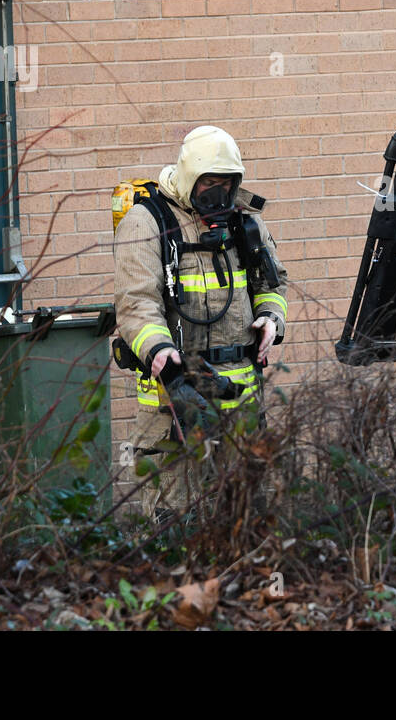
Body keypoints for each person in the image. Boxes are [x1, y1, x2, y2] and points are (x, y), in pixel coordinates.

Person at [114, 125, 288, 517]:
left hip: (242, 402)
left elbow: (274, 283)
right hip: (176, 400)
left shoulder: (245, 223)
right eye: (209, 181)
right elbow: (135, 302)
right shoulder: (147, 222)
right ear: (190, 175)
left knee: (244, 517)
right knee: (177, 521)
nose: (218, 192)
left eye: (227, 183)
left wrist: (270, 318)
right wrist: (160, 352)